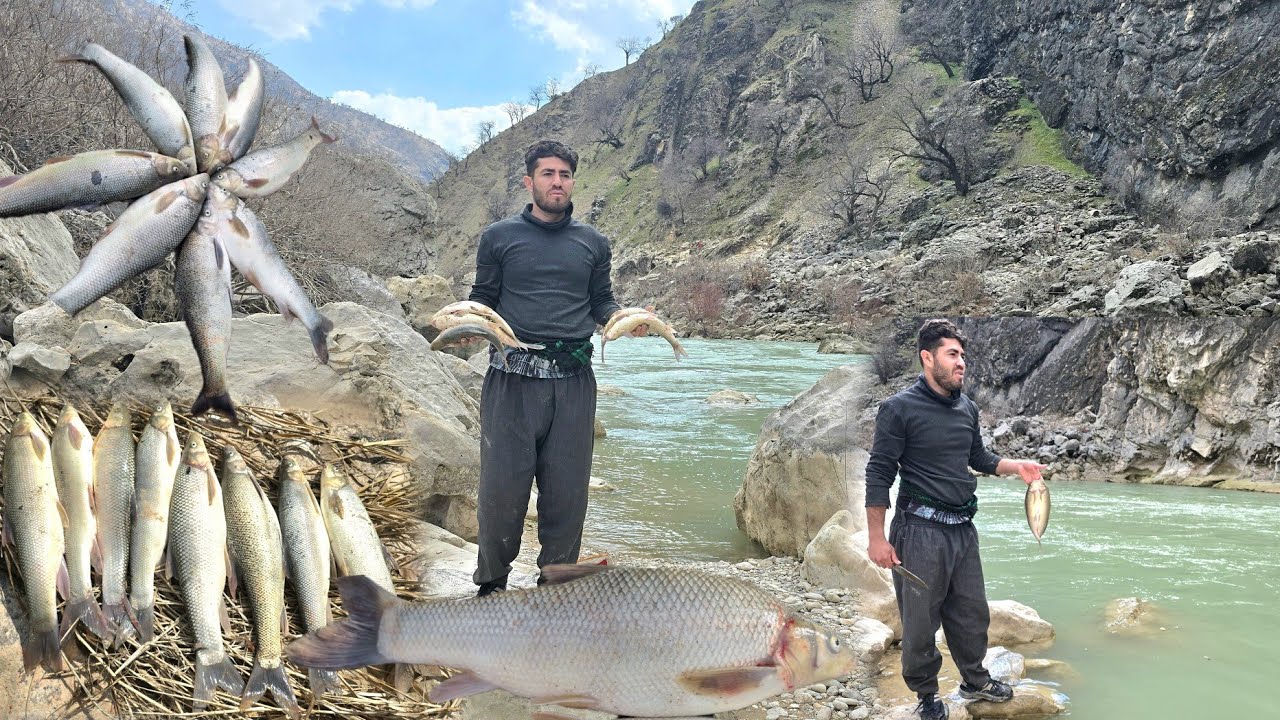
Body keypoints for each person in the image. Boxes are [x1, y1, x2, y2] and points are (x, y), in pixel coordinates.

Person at [467, 140, 644, 597]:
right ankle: (491, 587)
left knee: (567, 496)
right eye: (548, 174)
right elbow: (483, 296)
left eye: (564, 175)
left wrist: (620, 320)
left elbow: (601, 301)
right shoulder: (499, 238)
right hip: (511, 378)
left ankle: (555, 589)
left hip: (574, 383)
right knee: (501, 493)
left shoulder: (593, 243)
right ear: (530, 182)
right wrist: (468, 322)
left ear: (573, 182)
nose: (557, 182)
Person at [864, 319, 1046, 720]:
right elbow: (879, 473)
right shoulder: (898, 409)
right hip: (918, 531)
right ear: (928, 358)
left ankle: (974, 680)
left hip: (962, 529)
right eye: (952, 355)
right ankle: (927, 696)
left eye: (963, 355)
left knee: (972, 613)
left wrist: (1018, 466)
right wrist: (877, 538)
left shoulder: (967, 408)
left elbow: (976, 459)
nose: (962, 362)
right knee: (919, 622)